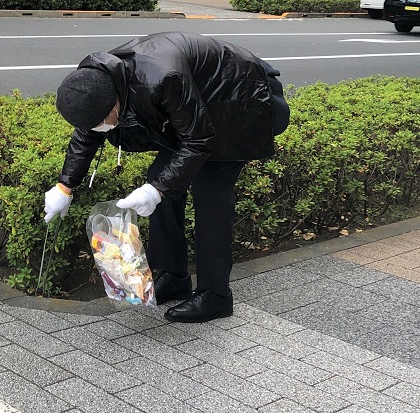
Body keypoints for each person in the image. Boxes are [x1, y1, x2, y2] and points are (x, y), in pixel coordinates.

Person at [43, 32, 290, 323]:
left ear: (113, 106)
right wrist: (65, 185)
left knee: (209, 192)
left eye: (101, 123)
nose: (98, 129)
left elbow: (199, 142)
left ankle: (216, 295)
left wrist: (157, 190)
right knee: (159, 176)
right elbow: (87, 132)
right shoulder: (98, 83)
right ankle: (174, 277)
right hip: (198, 106)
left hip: (237, 102)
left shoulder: (162, 77)